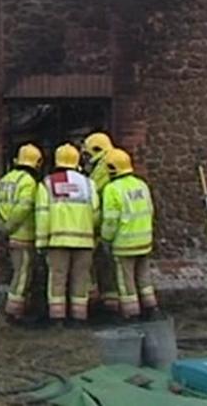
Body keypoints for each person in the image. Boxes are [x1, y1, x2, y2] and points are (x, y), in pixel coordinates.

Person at [35, 143, 99, 325]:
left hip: (58, 242)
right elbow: (96, 213)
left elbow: (42, 216)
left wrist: (41, 244)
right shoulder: (88, 184)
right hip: (85, 242)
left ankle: (58, 319)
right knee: (81, 279)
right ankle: (79, 318)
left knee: (57, 279)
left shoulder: (47, 184)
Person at [99, 148, 160, 320]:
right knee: (143, 277)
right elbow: (150, 210)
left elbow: (111, 220)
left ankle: (131, 313)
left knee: (126, 281)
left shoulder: (112, 189)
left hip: (124, 244)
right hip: (144, 240)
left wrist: (106, 239)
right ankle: (151, 307)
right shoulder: (141, 184)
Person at [0, 143, 43, 322]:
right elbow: (24, 208)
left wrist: (1, 226)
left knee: (19, 272)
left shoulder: (5, 180)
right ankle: (14, 312)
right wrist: (11, 226)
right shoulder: (29, 182)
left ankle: (18, 308)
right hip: (23, 236)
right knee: (23, 275)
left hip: (9, 235)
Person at [82, 131, 119, 315]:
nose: (86, 159)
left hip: (106, 226)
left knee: (105, 266)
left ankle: (105, 307)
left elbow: (95, 194)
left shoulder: (104, 166)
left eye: (87, 154)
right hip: (111, 225)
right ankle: (110, 303)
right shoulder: (111, 161)